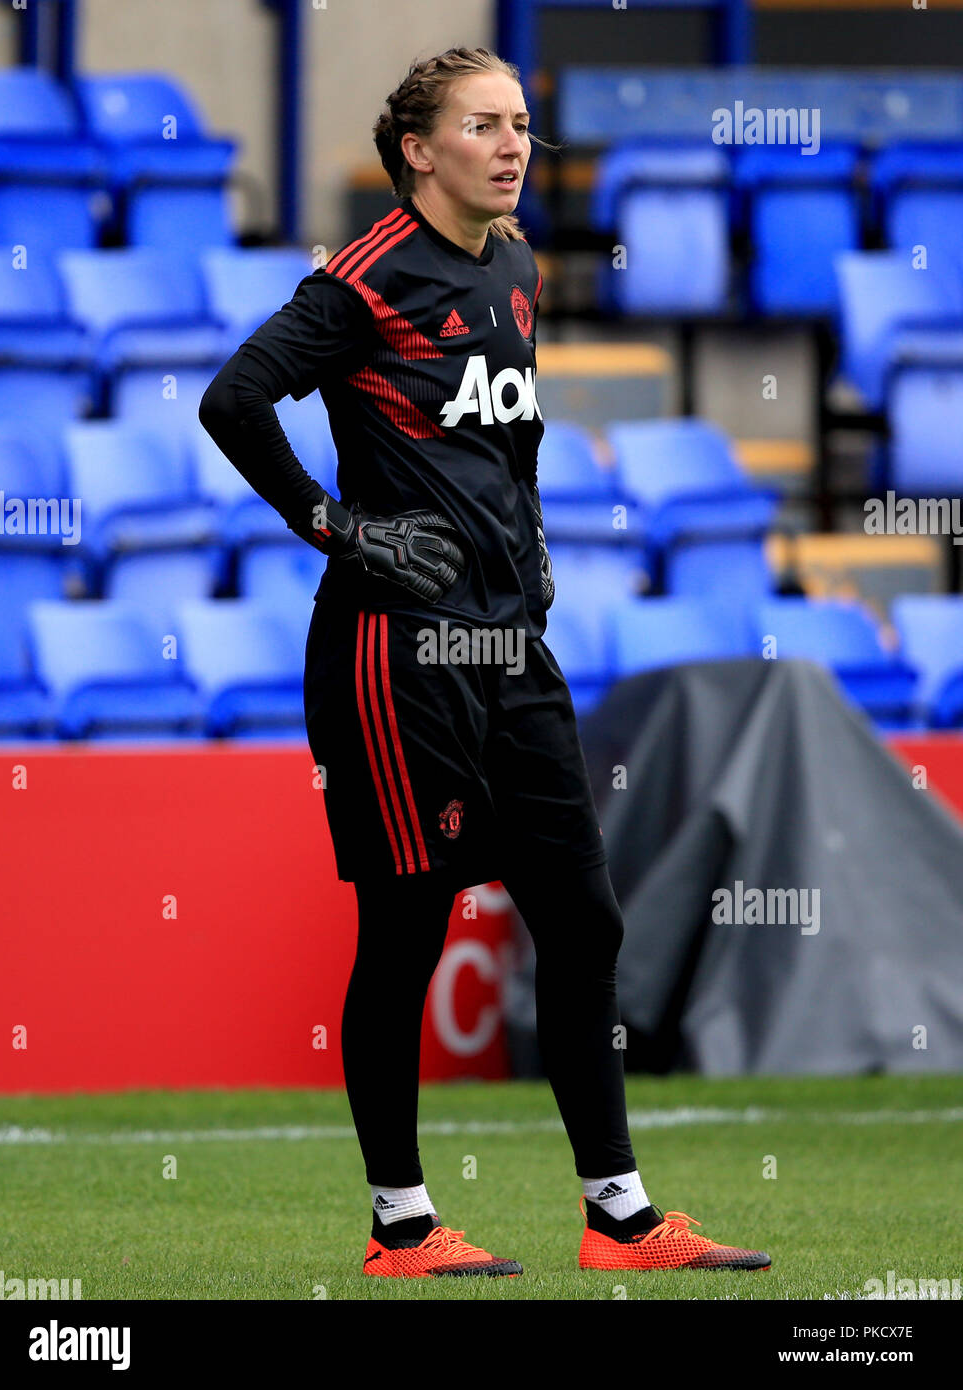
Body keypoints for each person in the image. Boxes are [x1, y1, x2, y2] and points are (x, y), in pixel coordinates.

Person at [199, 46, 771, 1279]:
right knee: (408, 929)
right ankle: (401, 1224)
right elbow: (233, 400)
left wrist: (534, 546)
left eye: (520, 124)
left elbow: (512, 443)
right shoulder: (363, 281)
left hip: (513, 647)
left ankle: (619, 1216)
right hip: (394, 654)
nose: (513, 146)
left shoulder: (515, 265)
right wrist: (335, 527)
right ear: (418, 150)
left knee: (584, 918)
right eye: (483, 126)